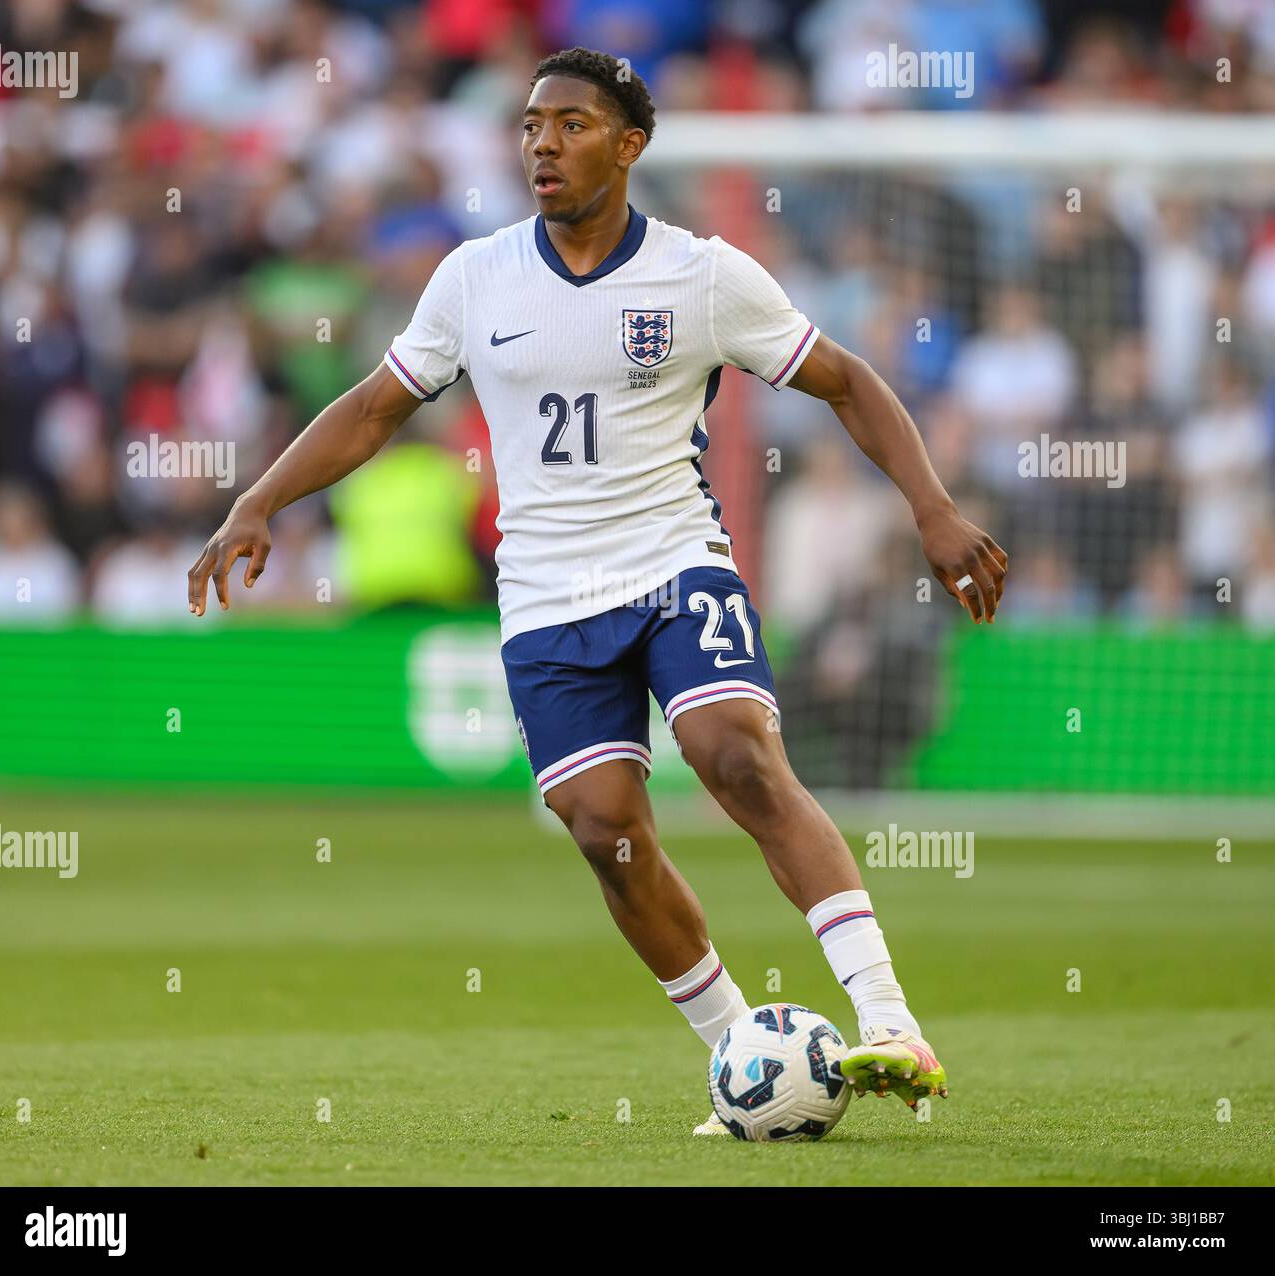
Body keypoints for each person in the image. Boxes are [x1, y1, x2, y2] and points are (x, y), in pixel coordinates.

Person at [187, 47, 1008, 1136]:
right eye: (531, 125)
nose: (542, 142)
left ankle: (889, 1017)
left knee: (734, 754)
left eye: (570, 124)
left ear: (628, 146)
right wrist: (261, 499)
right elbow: (374, 407)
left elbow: (846, 381)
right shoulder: (474, 278)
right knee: (604, 832)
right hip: (543, 599)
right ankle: (741, 1060)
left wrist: (932, 507)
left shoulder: (704, 276)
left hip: (672, 560)